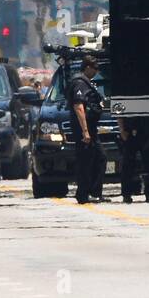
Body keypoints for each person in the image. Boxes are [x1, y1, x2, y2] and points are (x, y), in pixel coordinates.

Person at [68, 55, 107, 204]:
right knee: (86, 161)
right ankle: (84, 194)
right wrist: (85, 131)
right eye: (95, 68)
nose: (96, 71)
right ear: (88, 67)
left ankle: (93, 192)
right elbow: (78, 106)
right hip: (84, 130)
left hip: (90, 129)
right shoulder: (80, 83)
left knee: (98, 158)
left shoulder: (86, 82)